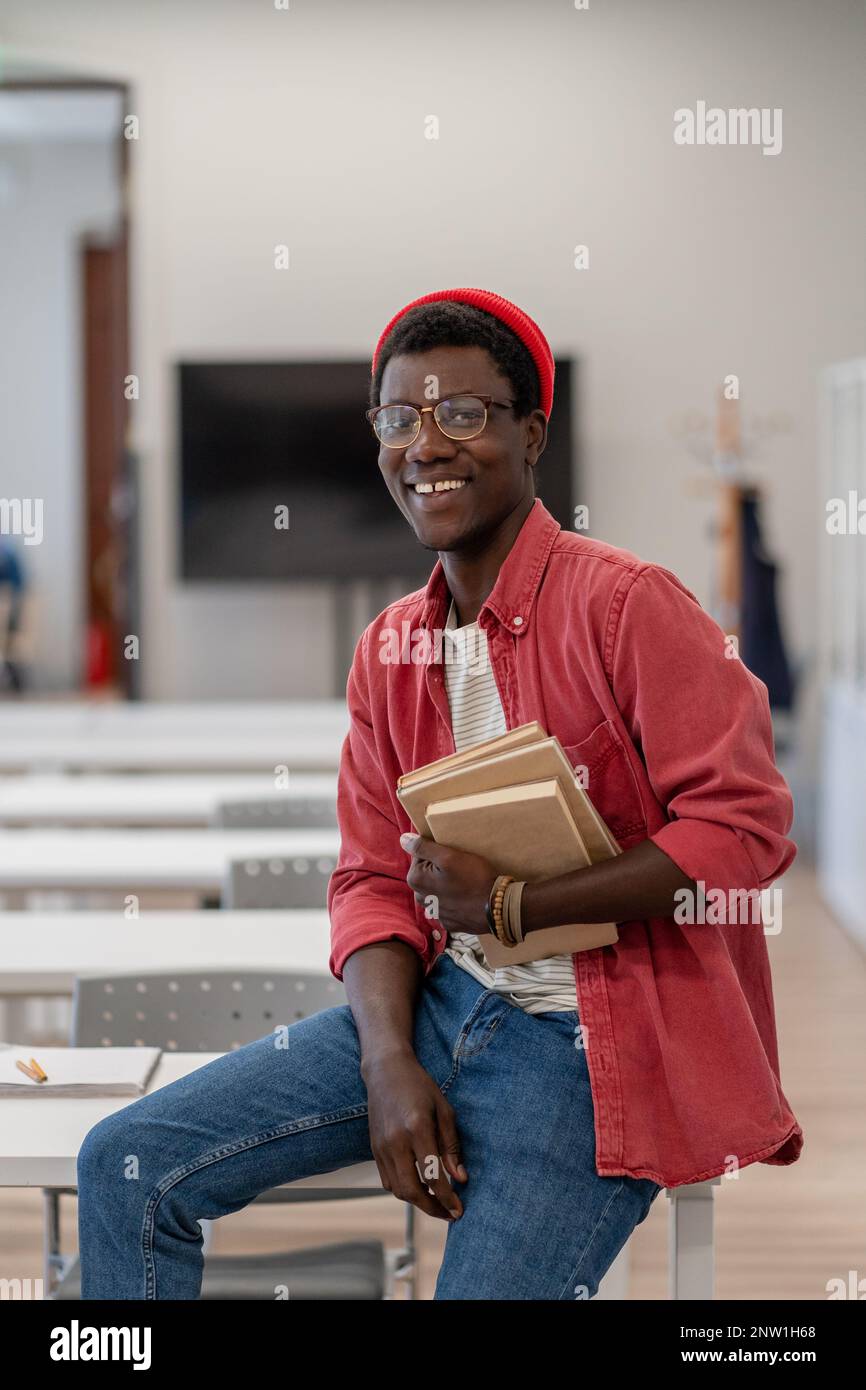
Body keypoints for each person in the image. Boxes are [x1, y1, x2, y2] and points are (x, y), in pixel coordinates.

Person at [77, 287, 802, 1300]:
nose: (425, 446)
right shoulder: (388, 650)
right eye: (397, 418)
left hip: (589, 1053)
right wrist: (385, 1065)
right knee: (126, 1164)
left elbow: (742, 831)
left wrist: (513, 905)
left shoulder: (625, 605)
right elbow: (372, 880)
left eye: (461, 414)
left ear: (530, 432)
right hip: (432, 1009)